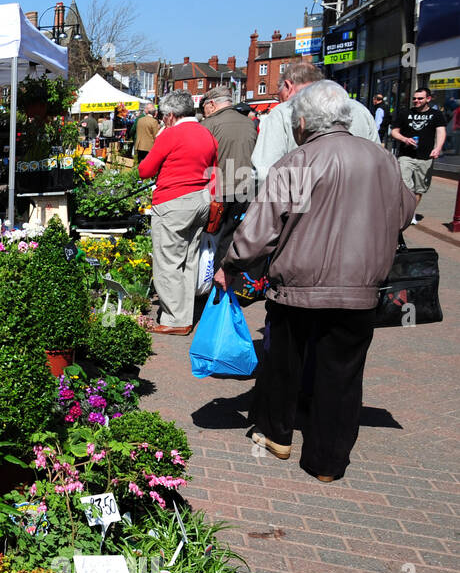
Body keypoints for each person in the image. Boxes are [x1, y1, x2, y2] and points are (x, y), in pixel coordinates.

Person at [219, 81, 415, 483]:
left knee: (284, 366)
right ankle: (327, 463)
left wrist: (232, 263)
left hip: (299, 286)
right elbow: (403, 212)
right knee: (342, 374)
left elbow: (261, 231)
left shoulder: (299, 162)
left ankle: (277, 436)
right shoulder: (382, 160)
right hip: (360, 288)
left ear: (304, 121)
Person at [137, 89, 218, 335]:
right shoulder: (207, 133)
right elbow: (215, 170)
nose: (162, 120)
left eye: (162, 116)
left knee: (168, 262)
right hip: (201, 199)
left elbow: (145, 170)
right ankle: (185, 315)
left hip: (174, 201)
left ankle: (174, 320)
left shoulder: (171, 134)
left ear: (171, 115)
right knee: (188, 260)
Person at [251, 61, 378, 184]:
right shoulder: (360, 110)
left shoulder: (283, 112)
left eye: (279, 96)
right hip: (361, 201)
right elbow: (378, 163)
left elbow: (265, 174)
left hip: (305, 202)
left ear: (288, 86)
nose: (280, 101)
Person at [200, 85, 257, 273]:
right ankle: (225, 279)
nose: (204, 112)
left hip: (217, 192)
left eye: (204, 107)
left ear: (212, 104)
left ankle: (207, 283)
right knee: (230, 238)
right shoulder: (249, 123)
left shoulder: (209, 124)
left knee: (208, 239)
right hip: (244, 189)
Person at [389, 86, 448, 206]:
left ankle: (410, 214)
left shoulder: (436, 114)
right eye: (414, 99)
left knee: (419, 188)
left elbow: (441, 131)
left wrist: (437, 148)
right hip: (406, 156)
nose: (416, 101)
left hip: (425, 157)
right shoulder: (405, 113)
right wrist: (404, 138)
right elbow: (394, 132)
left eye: (420, 98)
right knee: (404, 185)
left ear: (428, 99)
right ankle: (403, 211)